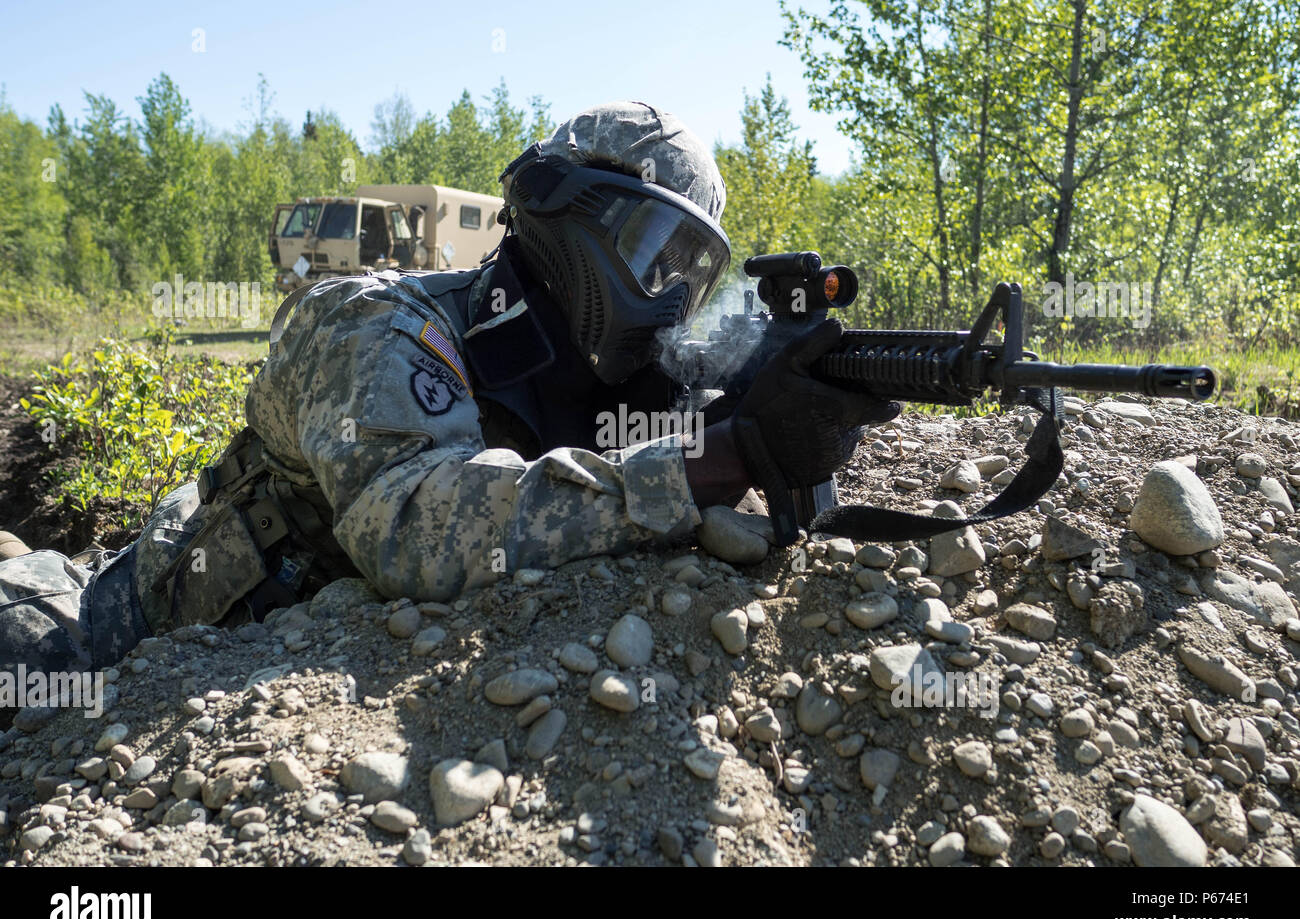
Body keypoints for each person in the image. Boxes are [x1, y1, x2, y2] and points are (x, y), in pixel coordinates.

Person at [0, 101, 898, 684]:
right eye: (648, 250)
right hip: (133, 626)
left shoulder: (611, 370)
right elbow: (414, 532)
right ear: (561, 210)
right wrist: (718, 459)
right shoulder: (376, 324)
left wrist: (769, 410)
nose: (666, 293)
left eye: (688, 271)